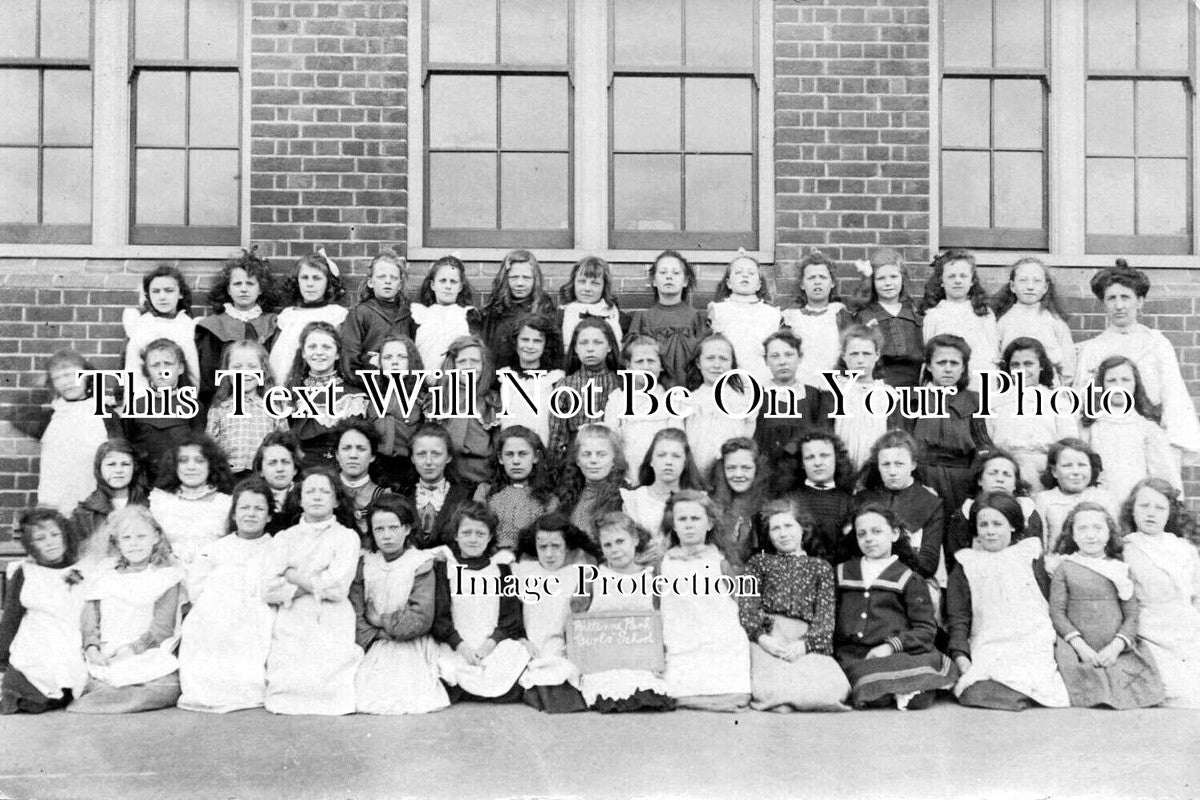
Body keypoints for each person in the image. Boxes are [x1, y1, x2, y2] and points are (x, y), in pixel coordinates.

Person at [947, 493, 1068, 711]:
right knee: (972, 688)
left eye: (997, 524)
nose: (990, 531)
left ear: (1012, 526)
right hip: (988, 641)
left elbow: (1047, 599)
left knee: (1036, 678)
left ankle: (1020, 691)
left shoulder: (1029, 554)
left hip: (1031, 639)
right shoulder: (967, 562)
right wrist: (960, 655)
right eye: (983, 525)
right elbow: (959, 615)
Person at [1074, 260, 1200, 468]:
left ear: (1140, 301)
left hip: (1150, 435)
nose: (1119, 306)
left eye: (1126, 297)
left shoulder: (1156, 343)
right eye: (1111, 298)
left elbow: (1173, 393)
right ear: (1103, 304)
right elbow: (1084, 399)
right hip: (1107, 437)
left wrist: (1172, 445)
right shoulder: (1094, 348)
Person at [834, 504, 957, 709]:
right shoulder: (842, 572)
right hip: (854, 655)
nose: (869, 539)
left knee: (915, 683)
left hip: (896, 652)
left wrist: (890, 646)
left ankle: (904, 690)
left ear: (894, 534)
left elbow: (925, 630)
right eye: (862, 534)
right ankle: (894, 691)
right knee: (869, 685)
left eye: (876, 531)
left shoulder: (909, 578)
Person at [262, 468, 362, 715]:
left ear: (336, 500)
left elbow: (337, 588)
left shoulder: (347, 537)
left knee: (329, 681)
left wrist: (293, 576)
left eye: (325, 492)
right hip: (292, 614)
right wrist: (317, 582)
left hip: (331, 614)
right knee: (289, 682)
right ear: (300, 499)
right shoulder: (284, 538)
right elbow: (269, 589)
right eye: (310, 491)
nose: (317, 497)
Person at [68, 506, 184, 714]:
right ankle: (112, 695)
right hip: (106, 651)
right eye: (127, 538)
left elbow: (162, 628)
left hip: (145, 650)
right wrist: (92, 648)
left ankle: (110, 698)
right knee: (87, 676)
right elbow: (90, 618)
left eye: (141, 536)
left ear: (156, 537)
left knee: (167, 684)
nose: (134, 543)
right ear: (117, 542)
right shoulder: (105, 574)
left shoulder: (165, 576)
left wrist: (131, 650)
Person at [739, 499, 851, 712]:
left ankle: (793, 701)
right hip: (768, 637)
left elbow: (825, 615)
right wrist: (762, 638)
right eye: (775, 528)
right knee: (771, 687)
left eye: (789, 526)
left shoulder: (821, 567)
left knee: (832, 688)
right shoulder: (757, 563)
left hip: (805, 640)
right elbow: (746, 605)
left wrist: (805, 646)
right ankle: (789, 700)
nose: (783, 533)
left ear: (803, 528)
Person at [1050, 502, 1164, 709]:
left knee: (1132, 684)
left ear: (1109, 533)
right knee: (1083, 685)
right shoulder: (1065, 568)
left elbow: (1132, 615)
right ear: (1072, 535)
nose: (1090, 535)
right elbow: (1057, 613)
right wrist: (1080, 646)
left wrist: (1116, 646)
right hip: (1078, 647)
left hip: (1114, 646)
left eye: (1098, 528)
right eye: (1082, 529)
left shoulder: (1119, 569)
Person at [177, 478, 277, 713]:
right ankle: (209, 689)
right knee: (202, 627)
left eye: (259, 508)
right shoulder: (216, 548)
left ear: (269, 516)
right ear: (233, 514)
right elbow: (197, 587)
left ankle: (244, 690)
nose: (251, 514)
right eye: (244, 507)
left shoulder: (275, 548)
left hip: (258, 610)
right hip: (216, 611)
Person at [351, 495, 449, 714]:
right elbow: (355, 611)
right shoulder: (365, 564)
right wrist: (376, 634)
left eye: (393, 528)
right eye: (379, 529)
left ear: (406, 529)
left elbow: (420, 618)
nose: (386, 535)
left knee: (407, 693)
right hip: (373, 642)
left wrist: (380, 620)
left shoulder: (419, 563)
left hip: (409, 644)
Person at [571, 513, 674, 712]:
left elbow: (660, 618)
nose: (615, 550)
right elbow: (578, 621)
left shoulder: (651, 576)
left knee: (646, 688)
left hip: (641, 659)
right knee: (607, 688)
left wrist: (659, 656)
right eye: (607, 545)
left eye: (620, 541)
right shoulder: (592, 577)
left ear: (635, 539)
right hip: (602, 659)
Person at [659, 491, 752, 711]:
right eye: (682, 519)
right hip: (680, 640)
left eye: (695, 518)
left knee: (733, 689)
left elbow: (737, 602)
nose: (689, 525)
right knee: (674, 688)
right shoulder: (663, 564)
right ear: (673, 525)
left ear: (709, 523)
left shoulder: (721, 561)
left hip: (718, 639)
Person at [432, 503, 530, 703]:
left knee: (515, 653)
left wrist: (490, 644)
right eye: (466, 533)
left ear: (490, 536)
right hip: (457, 644)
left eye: (480, 534)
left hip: (491, 644)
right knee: (442, 665)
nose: (473, 539)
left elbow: (510, 617)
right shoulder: (446, 568)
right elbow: (440, 616)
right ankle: (469, 685)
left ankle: (474, 686)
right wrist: (460, 645)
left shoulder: (501, 569)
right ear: (456, 535)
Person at [896, 333, 994, 529]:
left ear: (963, 367)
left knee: (958, 530)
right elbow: (901, 443)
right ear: (929, 366)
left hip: (962, 480)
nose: (948, 368)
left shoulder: (974, 400)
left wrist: (975, 475)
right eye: (941, 362)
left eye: (954, 363)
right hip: (921, 477)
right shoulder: (912, 399)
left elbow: (983, 443)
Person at [1120, 478, 1200, 708]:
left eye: (1160, 507)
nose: (1151, 513)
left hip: (1188, 630)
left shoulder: (1184, 549)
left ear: (1170, 512)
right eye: (1144, 506)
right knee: (1180, 694)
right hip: (1151, 634)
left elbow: (1196, 595)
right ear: (1132, 509)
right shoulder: (1124, 549)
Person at [0, 509, 87, 713]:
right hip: (34, 639)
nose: (50, 542)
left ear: (65, 536)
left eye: (55, 535)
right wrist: (1, 659)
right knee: (25, 683)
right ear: (30, 544)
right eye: (40, 538)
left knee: (67, 670)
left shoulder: (81, 571)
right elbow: (11, 618)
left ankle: (62, 692)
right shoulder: (25, 572)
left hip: (69, 636)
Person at [1080, 356, 1179, 506]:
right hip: (1098, 502)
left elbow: (1164, 473)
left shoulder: (1147, 428)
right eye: (1111, 381)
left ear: (1135, 384)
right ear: (1102, 385)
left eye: (1125, 380)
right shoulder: (1090, 426)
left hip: (1137, 503)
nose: (1118, 386)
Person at [512, 521, 588, 713]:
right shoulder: (524, 571)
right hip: (528, 646)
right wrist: (521, 639)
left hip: (562, 647)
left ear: (567, 546)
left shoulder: (578, 574)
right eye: (542, 547)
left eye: (556, 546)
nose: (549, 554)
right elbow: (512, 612)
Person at [987, 337, 1078, 492]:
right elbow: (989, 440)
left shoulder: (1058, 402)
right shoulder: (995, 402)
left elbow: (1069, 444)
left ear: (1041, 366)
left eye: (1028, 364)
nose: (1021, 370)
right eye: (1015, 365)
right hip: (1006, 470)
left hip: (1045, 472)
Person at [35, 350, 121, 514]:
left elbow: (120, 458)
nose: (66, 382)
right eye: (57, 378)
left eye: (71, 375)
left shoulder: (105, 414)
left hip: (92, 508)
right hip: (53, 506)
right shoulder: (53, 415)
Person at [147, 433, 234, 594]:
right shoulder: (160, 501)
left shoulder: (226, 504)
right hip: (167, 582)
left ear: (211, 465)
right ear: (174, 465)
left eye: (199, 461)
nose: (191, 467)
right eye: (183, 460)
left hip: (213, 585)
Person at [853, 430, 944, 582]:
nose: (892, 472)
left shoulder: (930, 502)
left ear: (913, 464)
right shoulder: (863, 500)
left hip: (912, 579)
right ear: (878, 466)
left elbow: (929, 564)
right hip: (867, 577)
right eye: (886, 464)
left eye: (899, 464)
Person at [194, 248, 281, 406]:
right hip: (223, 404)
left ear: (260, 289)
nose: (243, 289)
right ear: (228, 289)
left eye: (250, 283)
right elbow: (208, 377)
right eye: (237, 284)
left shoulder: (273, 324)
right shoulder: (212, 327)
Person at [285, 321, 370, 470]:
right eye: (312, 347)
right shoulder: (291, 393)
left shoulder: (353, 396)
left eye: (326, 347)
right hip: (302, 472)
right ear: (303, 353)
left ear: (337, 354)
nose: (319, 352)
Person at [121, 338, 206, 484]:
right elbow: (125, 448)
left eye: (168, 364)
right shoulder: (135, 406)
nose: (162, 371)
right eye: (155, 365)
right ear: (147, 371)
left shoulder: (193, 406)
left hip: (180, 483)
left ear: (180, 368)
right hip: (143, 483)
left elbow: (199, 449)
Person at [603, 336, 683, 485]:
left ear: (661, 366)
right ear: (628, 366)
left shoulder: (672, 399)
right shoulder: (617, 399)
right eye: (639, 362)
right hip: (627, 477)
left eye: (651, 361)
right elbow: (610, 441)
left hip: (660, 478)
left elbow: (677, 441)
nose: (646, 367)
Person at [204, 340, 287, 480]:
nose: (244, 372)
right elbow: (209, 448)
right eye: (237, 367)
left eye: (252, 366)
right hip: (229, 479)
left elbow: (285, 445)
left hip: (265, 478)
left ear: (263, 371)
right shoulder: (219, 409)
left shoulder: (274, 407)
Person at [625, 250, 708, 389]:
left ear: (685, 281)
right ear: (654, 281)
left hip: (689, 390)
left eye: (676, 273)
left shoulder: (697, 318)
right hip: (653, 391)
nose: (669, 277)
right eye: (663, 272)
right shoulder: (643, 319)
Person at [267, 248, 349, 387]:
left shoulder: (336, 314)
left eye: (317, 278)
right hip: (283, 382)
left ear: (328, 283)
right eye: (304, 278)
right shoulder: (287, 316)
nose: (310, 284)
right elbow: (277, 354)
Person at [547, 317, 622, 469]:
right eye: (583, 343)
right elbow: (557, 434)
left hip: (612, 459)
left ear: (609, 346)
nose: (590, 349)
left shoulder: (620, 384)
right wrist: (556, 468)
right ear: (575, 348)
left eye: (597, 342)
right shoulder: (565, 385)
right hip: (575, 460)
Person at [920, 249, 999, 393]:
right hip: (948, 382)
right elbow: (928, 352)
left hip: (980, 380)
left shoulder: (984, 313)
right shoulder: (934, 315)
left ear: (972, 281)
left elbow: (993, 351)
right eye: (951, 276)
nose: (957, 280)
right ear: (941, 281)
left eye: (963, 276)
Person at [847, 247, 923, 388]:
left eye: (894, 277)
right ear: (872, 282)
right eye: (881, 278)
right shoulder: (865, 316)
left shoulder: (914, 313)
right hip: (878, 385)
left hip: (914, 386)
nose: (888, 283)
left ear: (902, 278)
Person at [992, 256, 1075, 384]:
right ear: (1012, 286)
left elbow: (1068, 363)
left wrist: (1061, 387)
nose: (1030, 287)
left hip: (1048, 387)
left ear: (1045, 287)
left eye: (1037, 281)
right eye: (1023, 280)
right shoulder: (1003, 321)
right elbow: (994, 358)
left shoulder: (1054, 321)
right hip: (1013, 386)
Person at [683, 334, 757, 477]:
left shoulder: (743, 400)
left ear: (731, 364)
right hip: (697, 473)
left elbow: (747, 435)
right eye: (710, 358)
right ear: (698, 363)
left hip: (731, 474)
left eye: (723, 359)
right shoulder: (689, 400)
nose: (716, 365)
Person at [123, 264, 201, 393]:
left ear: (180, 293)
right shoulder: (142, 325)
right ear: (148, 295)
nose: (162, 297)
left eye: (169, 291)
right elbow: (133, 370)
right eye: (156, 291)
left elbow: (193, 371)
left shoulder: (187, 325)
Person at [707, 250, 782, 385]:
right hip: (728, 380)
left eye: (751, 273)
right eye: (738, 272)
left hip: (763, 379)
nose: (745, 275)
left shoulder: (772, 313)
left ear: (759, 284)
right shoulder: (718, 310)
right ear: (729, 283)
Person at [478, 426, 558, 551]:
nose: (516, 461)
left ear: (536, 457)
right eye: (509, 454)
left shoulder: (548, 500)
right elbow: (478, 531)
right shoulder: (485, 492)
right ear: (500, 458)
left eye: (523, 454)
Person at [436, 335, 501, 486]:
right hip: (445, 481)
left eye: (475, 361)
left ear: (484, 365)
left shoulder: (493, 401)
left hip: (482, 482)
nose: (468, 366)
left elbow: (499, 446)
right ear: (453, 365)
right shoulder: (439, 399)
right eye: (462, 361)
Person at [1034, 438, 1119, 553]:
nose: (1076, 472)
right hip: (1058, 561)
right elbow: (1039, 543)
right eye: (1067, 465)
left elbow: (1115, 539)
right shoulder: (1044, 500)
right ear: (1054, 471)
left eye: (1082, 465)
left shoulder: (1103, 498)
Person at [73, 439, 150, 564]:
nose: (118, 470)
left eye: (125, 464)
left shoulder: (152, 503)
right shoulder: (84, 513)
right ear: (99, 469)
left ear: (134, 468)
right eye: (111, 464)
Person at [339, 250, 414, 377]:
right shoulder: (360, 313)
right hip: (369, 382)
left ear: (400, 285)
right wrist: (370, 362)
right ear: (370, 282)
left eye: (394, 278)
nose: (388, 281)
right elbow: (349, 359)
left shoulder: (409, 314)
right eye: (381, 277)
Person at [782, 251, 853, 384]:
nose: (817, 282)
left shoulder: (839, 313)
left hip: (834, 382)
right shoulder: (791, 318)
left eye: (822, 277)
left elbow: (851, 348)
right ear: (802, 284)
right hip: (802, 382)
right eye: (811, 278)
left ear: (832, 283)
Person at [620, 428, 704, 539]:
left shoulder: (699, 500)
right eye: (661, 455)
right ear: (651, 460)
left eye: (676, 456)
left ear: (685, 462)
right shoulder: (635, 500)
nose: (668, 462)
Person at [366, 334, 425, 489]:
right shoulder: (369, 397)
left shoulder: (424, 398)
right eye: (387, 357)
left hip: (412, 476)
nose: (394, 362)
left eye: (402, 357)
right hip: (375, 474)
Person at [495, 313, 564, 448]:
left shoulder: (555, 379)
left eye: (537, 341)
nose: (530, 346)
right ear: (515, 341)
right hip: (511, 448)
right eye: (525, 340)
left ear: (546, 344)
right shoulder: (503, 377)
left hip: (543, 447)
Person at [552, 424, 628, 543]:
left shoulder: (625, 499)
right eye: (586, 454)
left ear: (614, 460)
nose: (593, 460)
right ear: (577, 460)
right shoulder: (565, 496)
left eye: (601, 454)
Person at [402, 424, 474, 548]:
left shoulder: (466, 495)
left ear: (448, 457)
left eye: (436, 454)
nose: (428, 462)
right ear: (412, 458)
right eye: (421, 454)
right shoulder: (401, 495)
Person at [481, 249, 558, 365]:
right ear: (505, 279)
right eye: (514, 277)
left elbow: (552, 352)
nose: (519, 283)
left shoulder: (544, 307)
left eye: (526, 278)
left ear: (535, 279)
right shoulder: (495, 308)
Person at [830, 325, 889, 472]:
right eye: (854, 354)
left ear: (877, 355)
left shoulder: (888, 394)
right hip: (840, 469)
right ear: (844, 356)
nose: (860, 360)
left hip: (875, 471)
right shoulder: (833, 392)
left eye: (866, 354)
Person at [410, 254, 481, 371]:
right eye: (443, 281)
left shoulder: (468, 316)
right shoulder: (419, 315)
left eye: (453, 282)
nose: (448, 286)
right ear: (433, 285)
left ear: (460, 287)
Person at [334, 420, 392, 540]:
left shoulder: (384, 497)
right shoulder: (324, 491)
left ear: (372, 456)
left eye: (361, 449)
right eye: (346, 448)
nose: (353, 455)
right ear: (337, 454)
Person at [557, 255, 628, 349]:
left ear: (604, 286)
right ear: (573, 283)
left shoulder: (621, 320)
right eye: (582, 281)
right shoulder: (559, 318)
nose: (587, 288)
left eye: (595, 283)